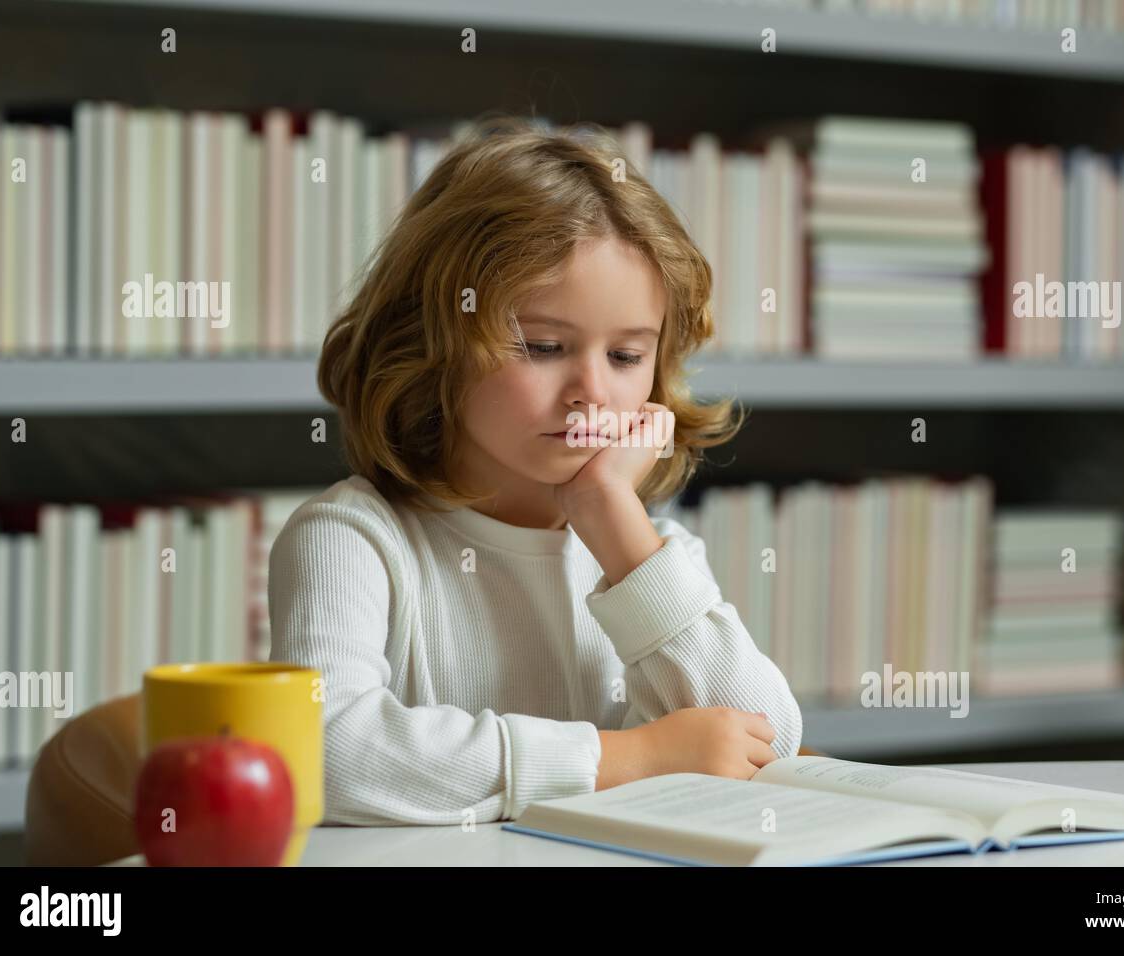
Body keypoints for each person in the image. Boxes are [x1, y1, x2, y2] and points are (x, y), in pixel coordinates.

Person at [268, 116, 803, 825]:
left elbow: (770, 741)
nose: (592, 391)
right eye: (545, 346)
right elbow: (322, 750)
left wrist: (616, 524)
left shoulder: (638, 553)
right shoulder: (352, 540)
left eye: (625, 356)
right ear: (434, 344)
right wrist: (623, 761)